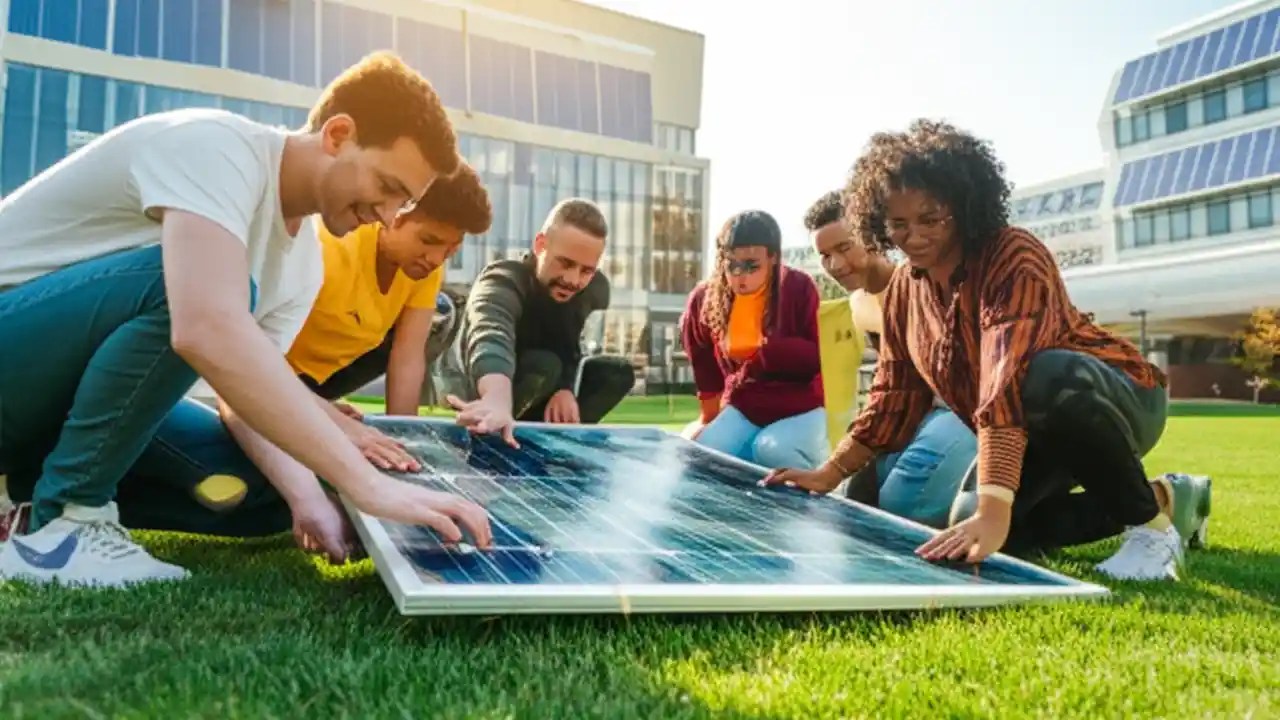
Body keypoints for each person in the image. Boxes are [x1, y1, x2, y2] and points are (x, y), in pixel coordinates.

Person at [0, 51, 492, 588]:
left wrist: (314, 495)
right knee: (192, 284)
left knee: (268, 492)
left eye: (405, 202)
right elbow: (204, 325)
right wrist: (370, 487)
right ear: (338, 134)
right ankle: (67, 523)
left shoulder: (302, 264)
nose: (388, 213)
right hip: (14, 351)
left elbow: (250, 396)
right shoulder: (216, 146)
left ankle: (25, 501)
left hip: (47, 402)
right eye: (389, 187)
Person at [766, 119, 1205, 582]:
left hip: (1107, 398)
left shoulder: (1012, 255)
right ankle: (1170, 498)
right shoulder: (901, 294)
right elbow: (893, 397)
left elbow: (1005, 376)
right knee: (979, 528)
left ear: (964, 205)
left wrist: (995, 507)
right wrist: (828, 473)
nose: (912, 236)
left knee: (1045, 379)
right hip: (1028, 430)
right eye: (898, 224)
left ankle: (1154, 531)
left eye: (929, 219)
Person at [91, 163, 495, 565]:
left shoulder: (423, 269)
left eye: (451, 248)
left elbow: (408, 358)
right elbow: (244, 376)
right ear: (394, 215)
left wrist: (403, 456)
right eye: (429, 240)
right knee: (262, 491)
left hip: (300, 387)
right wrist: (331, 427)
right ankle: (75, 499)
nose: (437, 257)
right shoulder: (326, 253)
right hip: (236, 384)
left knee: (290, 494)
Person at [805, 191, 978, 529]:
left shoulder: (924, 281)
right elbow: (893, 381)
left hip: (966, 408)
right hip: (919, 411)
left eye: (844, 248)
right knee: (857, 496)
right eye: (825, 256)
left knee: (903, 502)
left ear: (873, 236)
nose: (836, 265)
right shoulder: (859, 305)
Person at [444, 198, 636, 445]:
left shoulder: (592, 290)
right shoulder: (502, 280)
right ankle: (492, 430)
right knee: (545, 364)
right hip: (482, 380)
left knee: (616, 373)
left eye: (586, 270)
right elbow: (491, 335)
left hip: (545, 377)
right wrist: (496, 399)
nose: (573, 280)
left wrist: (565, 388)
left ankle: (556, 441)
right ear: (540, 245)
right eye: (565, 263)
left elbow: (569, 344)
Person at [681, 210, 827, 470]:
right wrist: (709, 421)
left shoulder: (799, 286)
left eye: (752, 265)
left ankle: (810, 492)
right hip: (746, 405)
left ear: (773, 257)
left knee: (771, 449)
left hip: (802, 405)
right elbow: (703, 364)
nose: (741, 276)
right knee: (702, 457)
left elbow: (820, 356)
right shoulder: (705, 298)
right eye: (732, 265)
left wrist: (766, 352)